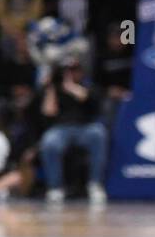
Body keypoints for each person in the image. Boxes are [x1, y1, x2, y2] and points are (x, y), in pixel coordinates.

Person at [38, 54, 108, 204]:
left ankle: (94, 184)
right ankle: (55, 188)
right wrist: (51, 88)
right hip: (61, 129)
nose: (71, 74)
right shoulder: (54, 88)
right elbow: (48, 112)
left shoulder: (87, 85)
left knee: (99, 133)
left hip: (85, 128)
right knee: (49, 141)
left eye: (74, 70)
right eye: (67, 70)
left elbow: (88, 99)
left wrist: (71, 87)